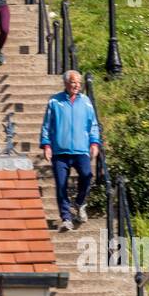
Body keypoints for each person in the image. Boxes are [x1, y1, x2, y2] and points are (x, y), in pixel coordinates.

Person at [39, 69, 101, 232]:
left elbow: (93, 124)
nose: (77, 85)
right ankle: (66, 218)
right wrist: (46, 145)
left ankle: (80, 203)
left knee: (87, 176)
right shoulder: (54, 102)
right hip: (60, 152)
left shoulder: (86, 101)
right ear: (66, 83)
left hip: (81, 150)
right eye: (74, 82)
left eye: (79, 82)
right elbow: (47, 125)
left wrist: (94, 143)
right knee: (61, 185)